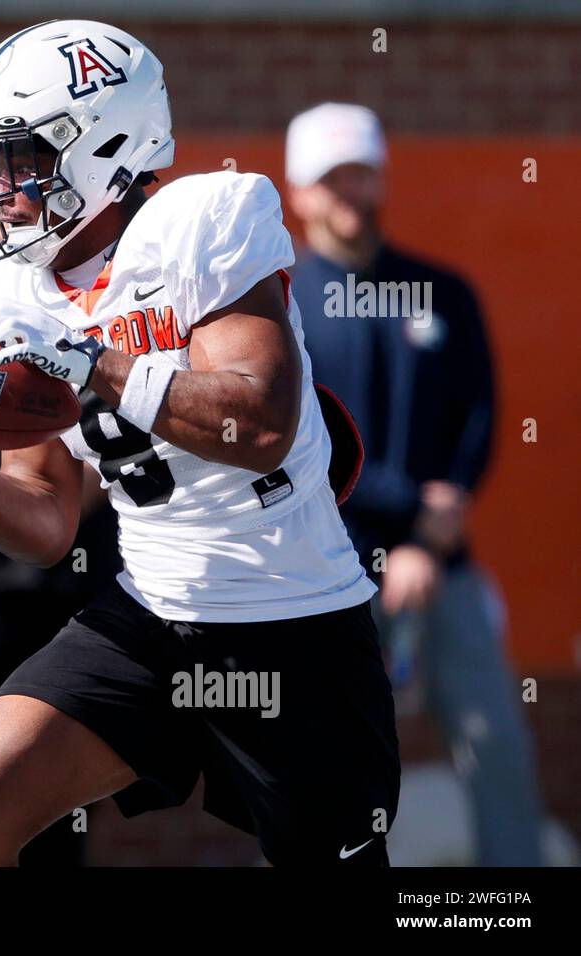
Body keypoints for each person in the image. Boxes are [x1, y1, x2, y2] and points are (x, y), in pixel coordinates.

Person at [0, 19, 399, 866]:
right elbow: (49, 522)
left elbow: (260, 425)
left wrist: (97, 360)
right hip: (150, 609)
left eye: (22, 161)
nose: (0, 189)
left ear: (107, 145)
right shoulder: (8, 290)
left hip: (292, 614)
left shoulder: (207, 216)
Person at [285, 102, 544, 866]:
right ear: (299, 193)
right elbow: (296, 444)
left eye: (360, 174)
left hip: (443, 567)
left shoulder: (444, 293)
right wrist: (403, 520)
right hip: (330, 577)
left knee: (495, 743)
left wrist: (433, 533)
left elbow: (479, 418)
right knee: (331, 768)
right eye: (330, 180)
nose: (348, 194)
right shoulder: (277, 309)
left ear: (381, 179)